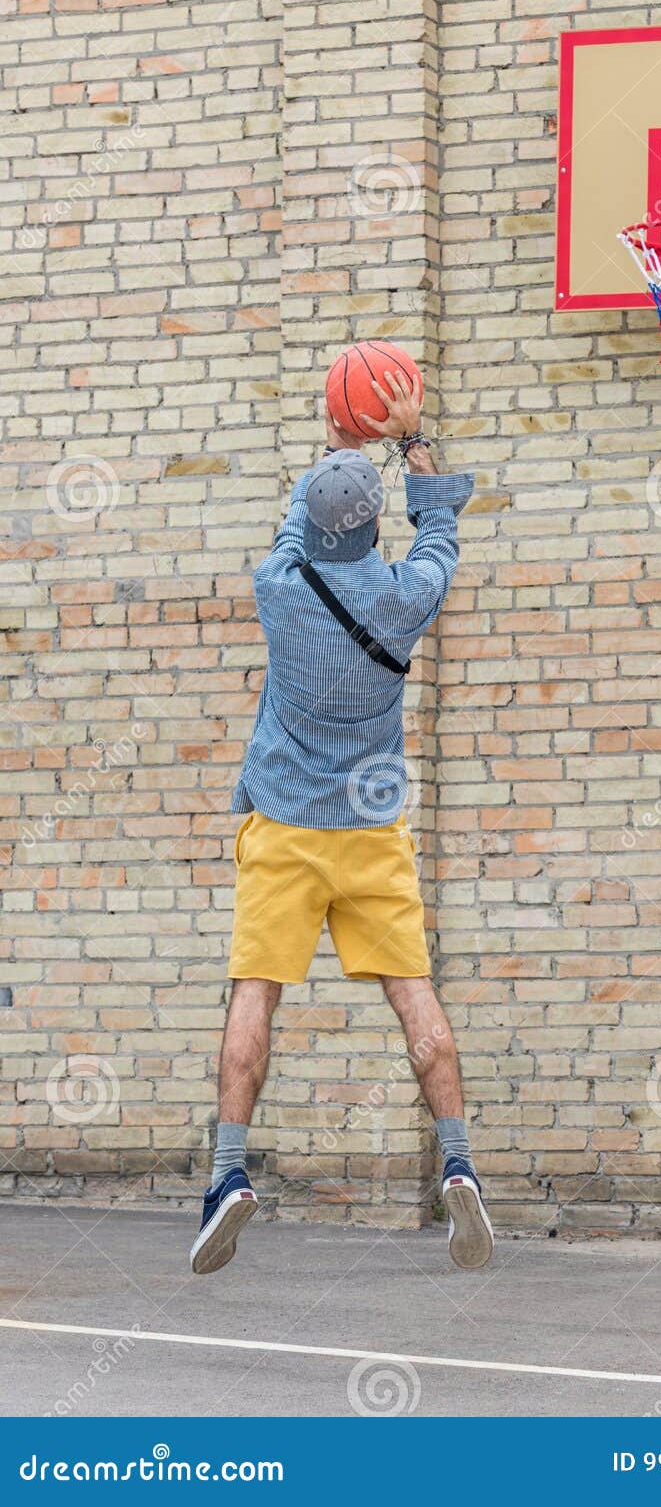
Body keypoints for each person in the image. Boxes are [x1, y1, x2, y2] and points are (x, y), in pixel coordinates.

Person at [190, 371, 492, 1276]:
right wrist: (411, 440)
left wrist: (340, 442)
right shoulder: (409, 594)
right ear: (372, 525)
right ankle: (458, 1162)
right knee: (413, 992)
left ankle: (228, 1174)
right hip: (369, 830)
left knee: (255, 992)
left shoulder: (278, 586)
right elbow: (438, 529)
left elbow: (299, 524)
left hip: (284, 825)